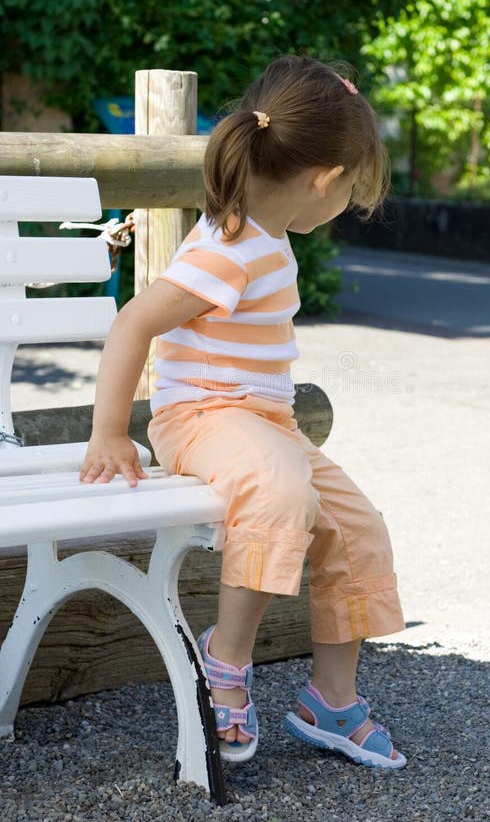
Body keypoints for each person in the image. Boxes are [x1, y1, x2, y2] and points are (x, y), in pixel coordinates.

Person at [80, 54, 406, 769]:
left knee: (357, 528)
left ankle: (332, 700)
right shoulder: (231, 248)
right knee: (282, 494)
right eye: (350, 186)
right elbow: (135, 321)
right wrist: (109, 432)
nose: (347, 202)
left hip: (262, 425)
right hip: (202, 418)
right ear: (323, 178)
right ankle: (225, 662)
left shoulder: (265, 239)